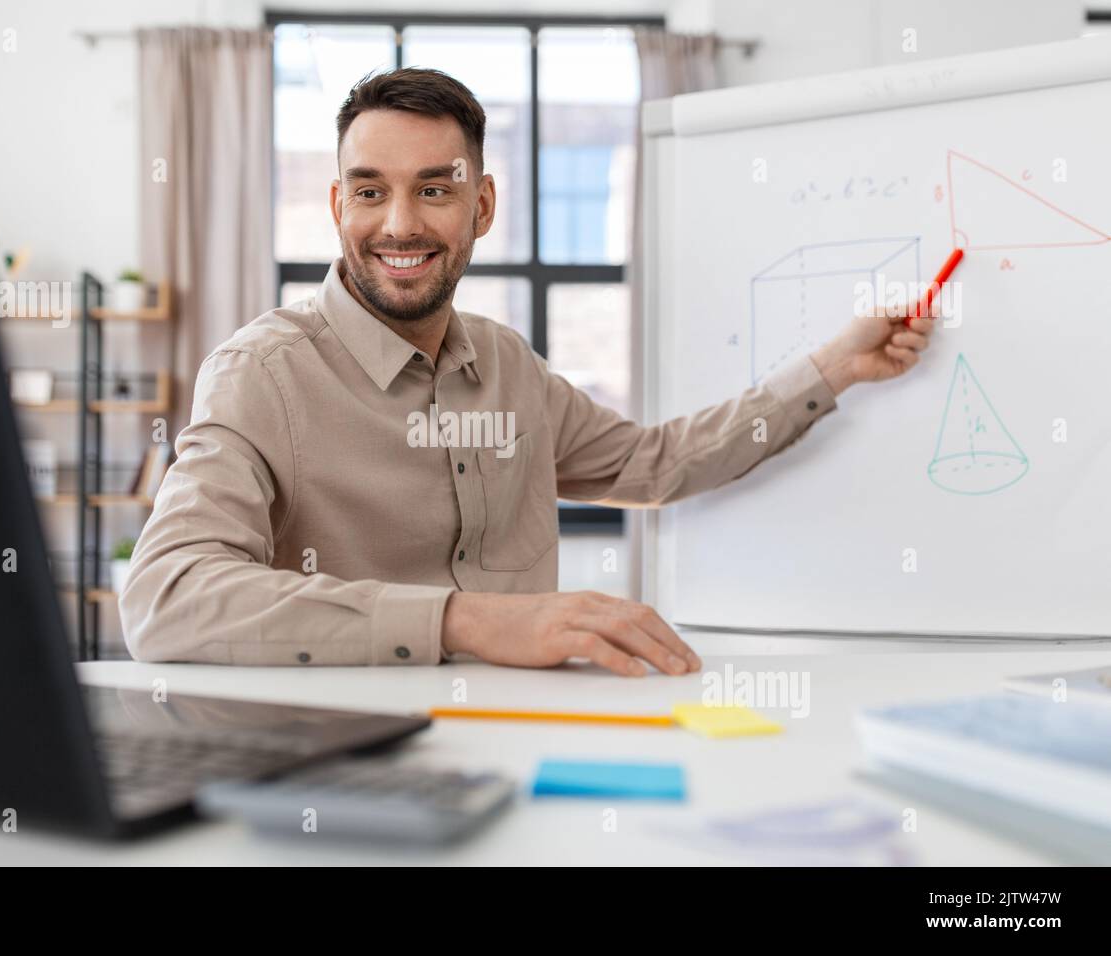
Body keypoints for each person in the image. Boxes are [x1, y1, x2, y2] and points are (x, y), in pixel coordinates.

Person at [119, 67, 935, 676]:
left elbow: (653, 465)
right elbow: (168, 599)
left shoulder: (507, 366)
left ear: (481, 207)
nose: (398, 224)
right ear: (339, 207)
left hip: (525, 740)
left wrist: (837, 365)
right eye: (370, 192)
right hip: (344, 773)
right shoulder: (262, 374)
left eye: (434, 189)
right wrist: (461, 621)